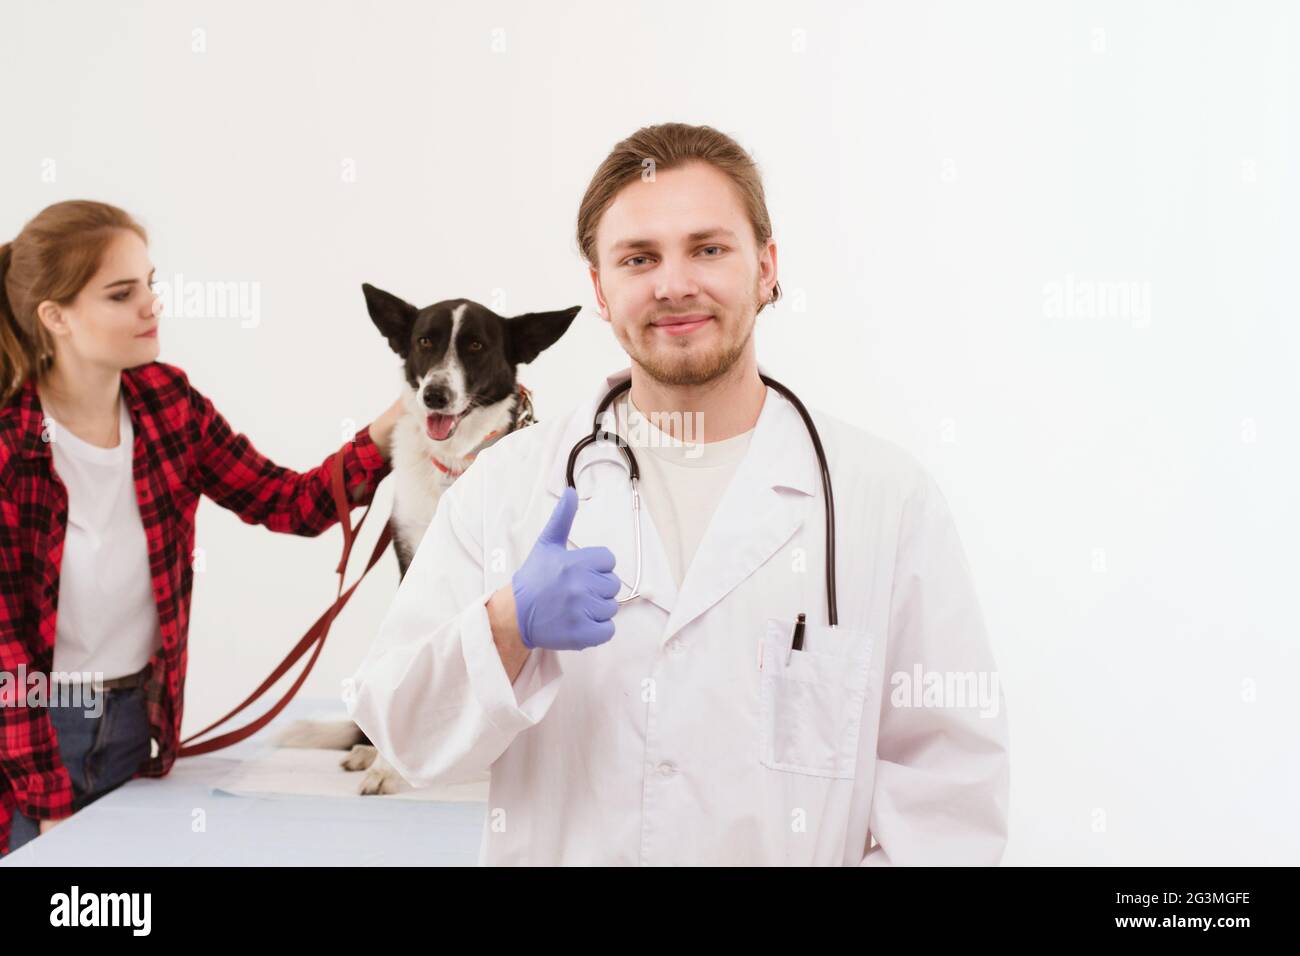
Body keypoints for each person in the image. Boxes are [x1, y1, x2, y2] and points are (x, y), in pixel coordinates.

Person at [346, 123, 1010, 865]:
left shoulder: (885, 500)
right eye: (639, 258)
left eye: (708, 249)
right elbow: (401, 732)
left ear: (767, 267)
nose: (673, 284)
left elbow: (949, 801)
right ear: (600, 288)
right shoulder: (504, 489)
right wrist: (507, 625)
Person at [0, 200, 403, 855]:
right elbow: (6, 656)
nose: (151, 306)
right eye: (121, 294)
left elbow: (291, 503)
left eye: (150, 285)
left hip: (136, 727)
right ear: (56, 317)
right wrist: (47, 805)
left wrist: (388, 432)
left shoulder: (167, 404)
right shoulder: (11, 446)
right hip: (27, 741)